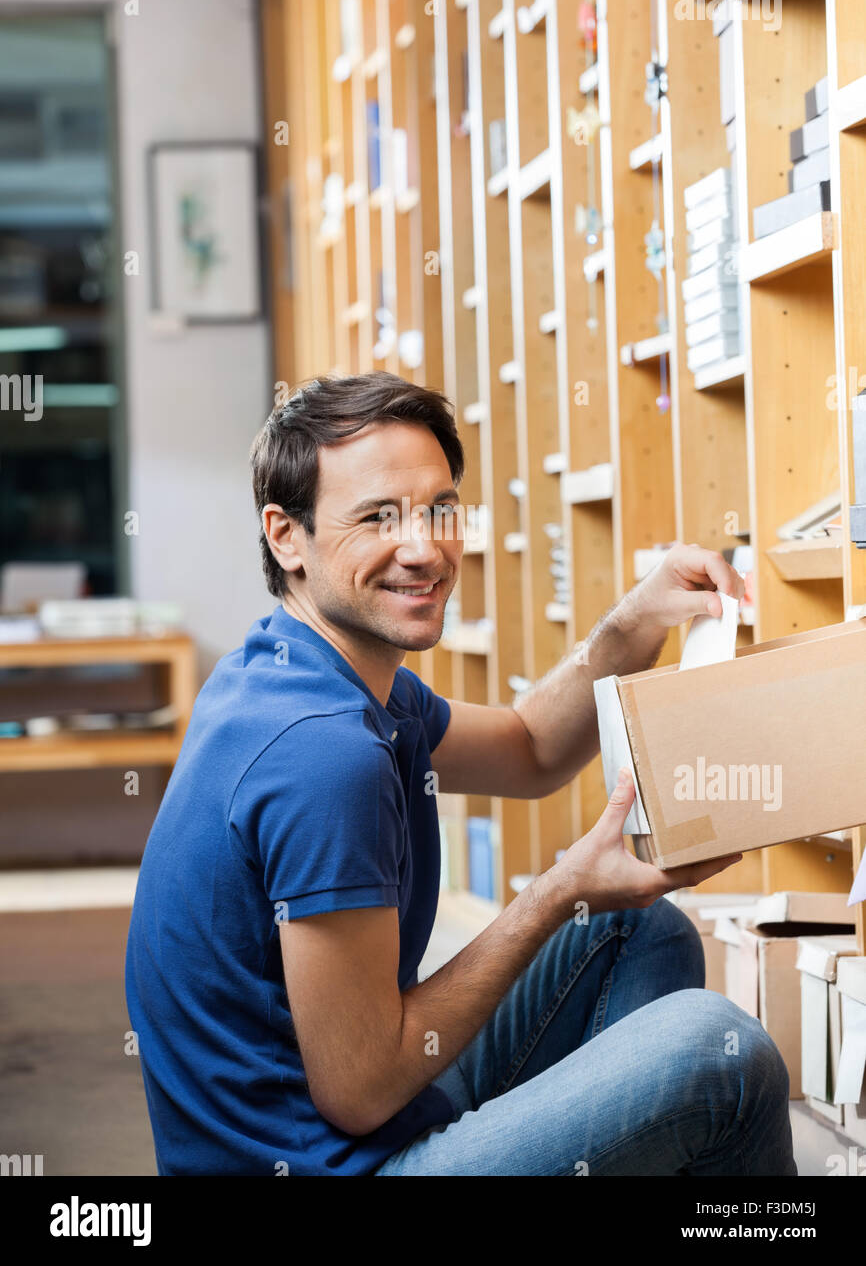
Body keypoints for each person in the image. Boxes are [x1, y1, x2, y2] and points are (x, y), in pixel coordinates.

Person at [125, 370, 796, 1176]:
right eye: (378, 517)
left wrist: (637, 616)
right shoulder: (321, 754)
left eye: (440, 508)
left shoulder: (299, 667)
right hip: (337, 1159)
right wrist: (557, 891)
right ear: (285, 535)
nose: (426, 547)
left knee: (634, 931)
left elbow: (530, 746)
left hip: (363, 1126)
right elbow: (361, 1090)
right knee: (719, 1057)